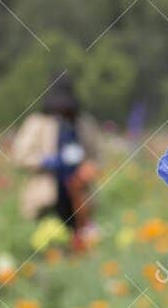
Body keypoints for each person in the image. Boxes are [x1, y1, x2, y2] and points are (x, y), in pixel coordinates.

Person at [10, 75, 101, 250]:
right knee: (50, 243)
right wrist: (47, 161)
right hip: (47, 196)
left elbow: (96, 157)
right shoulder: (37, 123)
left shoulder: (84, 123)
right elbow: (20, 156)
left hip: (78, 195)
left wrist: (89, 168)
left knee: (79, 242)